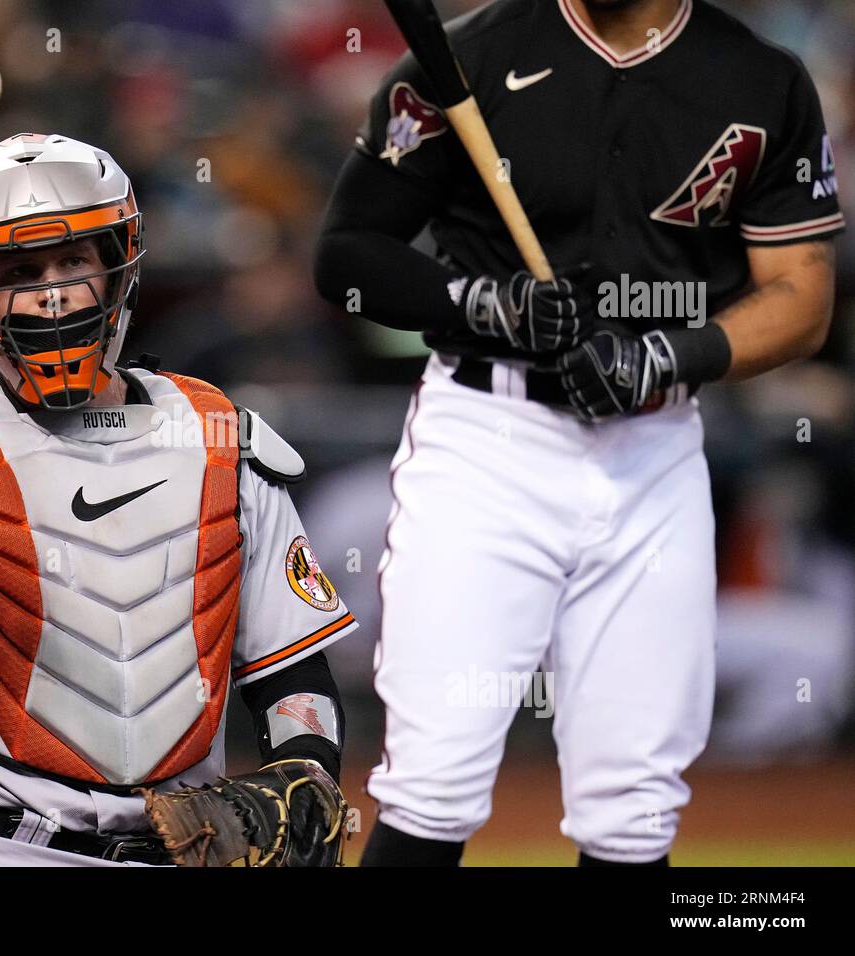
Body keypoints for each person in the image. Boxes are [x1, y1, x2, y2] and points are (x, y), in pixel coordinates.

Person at [314, 0, 842, 866]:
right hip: (489, 438)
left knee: (633, 809)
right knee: (433, 785)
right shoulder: (470, 56)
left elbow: (803, 297)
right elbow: (348, 254)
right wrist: (480, 301)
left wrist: (670, 354)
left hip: (655, 447)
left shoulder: (761, 79)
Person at [0, 133, 358, 865]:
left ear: (117, 269)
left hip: (179, 846)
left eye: (73, 260)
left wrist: (307, 768)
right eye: (19, 269)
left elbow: (288, 664)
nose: (52, 291)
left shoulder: (220, 434)